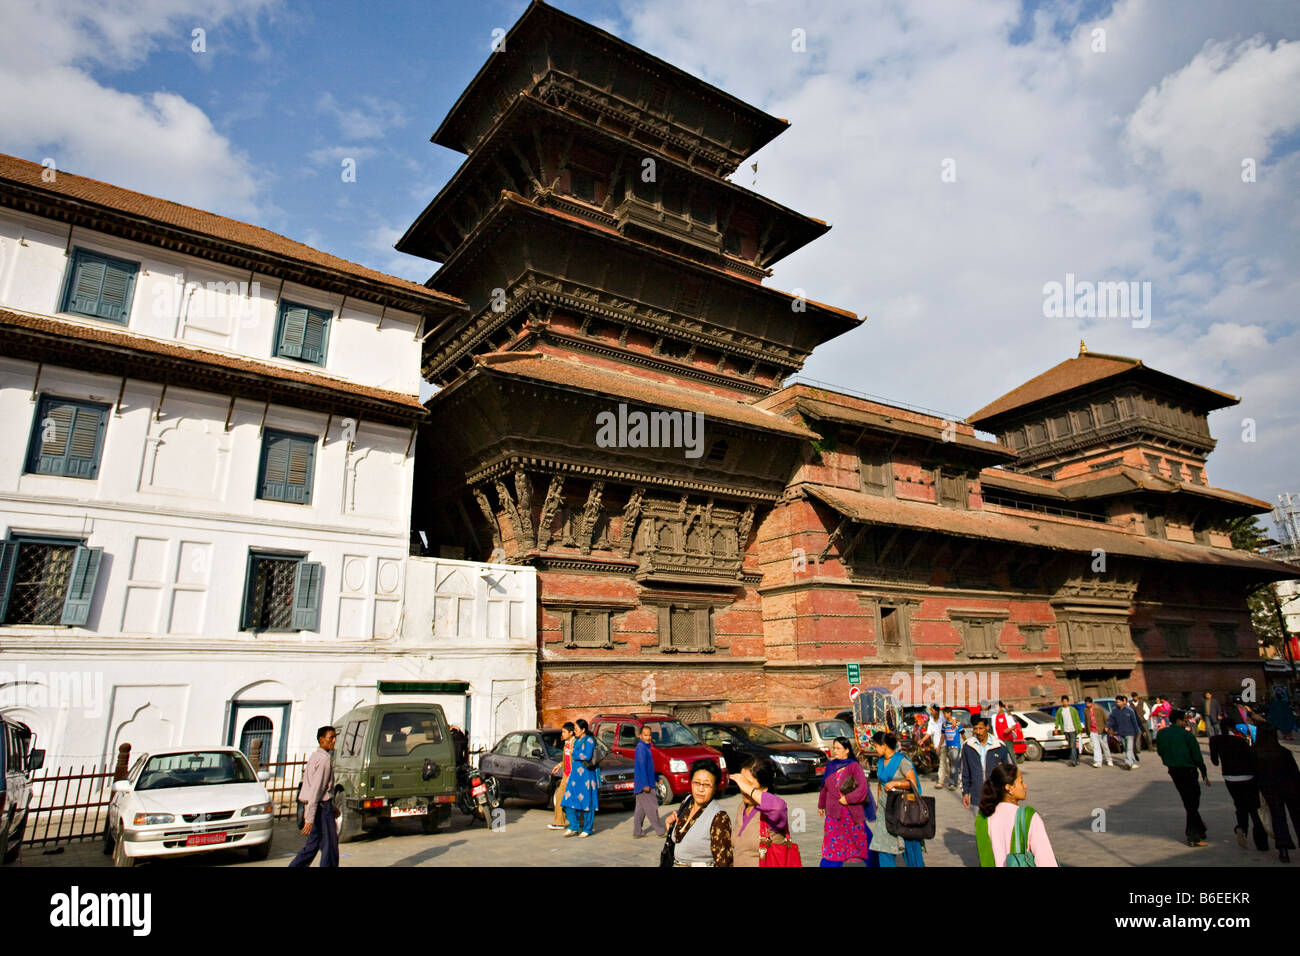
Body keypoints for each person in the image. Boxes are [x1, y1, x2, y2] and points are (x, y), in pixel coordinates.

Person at [975, 763, 1058, 866]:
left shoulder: (984, 818)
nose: (1025, 785)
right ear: (1009, 788)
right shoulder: (1029, 817)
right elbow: (1046, 860)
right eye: (1021, 781)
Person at [1209, 718, 1269, 851]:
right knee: (1254, 808)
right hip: (1248, 777)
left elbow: (1215, 761)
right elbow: (1252, 759)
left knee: (1240, 805)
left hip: (1230, 778)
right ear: (1233, 728)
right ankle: (1261, 843)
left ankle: (1242, 828)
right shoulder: (1240, 741)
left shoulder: (1215, 740)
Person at [1155, 708, 1210, 847]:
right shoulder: (1187, 735)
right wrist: (1204, 772)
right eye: (1184, 719)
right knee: (1192, 801)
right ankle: (1193, 836)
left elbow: (1160, 751)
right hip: (1188, 770)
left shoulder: (1162, 734)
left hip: (1173, 770)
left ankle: (1200, 828)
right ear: (1179, 720)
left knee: (1187, 799)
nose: (1186, 721)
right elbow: (1197, 756)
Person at [818, 736, 875, 866]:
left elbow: (862, 788)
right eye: (834, 748)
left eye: (838, 748)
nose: (835, 751)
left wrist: (848, 799)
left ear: (847, 750)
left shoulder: (854, 766)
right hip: (833, 814)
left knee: (860, 842)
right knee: (833, 847)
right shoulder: (831, 766)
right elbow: (824, 788)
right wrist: (821, 805)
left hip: (851, 812)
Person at [664, 759, 732, 866]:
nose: (700, 789)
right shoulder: (687, 802)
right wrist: (671, 827)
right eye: (696, 783)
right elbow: (681, 840)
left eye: (706, 785)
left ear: (714, 788)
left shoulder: (719, 817)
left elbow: (723, 862)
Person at [290, 725, 340, 868]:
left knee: (312, 846)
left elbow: (317, 788)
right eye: (331, 737)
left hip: (322, 806)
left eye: (335, 737)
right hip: (321, 809)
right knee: (330, 848)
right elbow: (316, 790)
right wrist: (309, 819)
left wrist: (332, 807)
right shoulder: (324, 760)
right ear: (321, 739)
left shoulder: (315, 756)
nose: (334, 741)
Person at [873, 731, 925, 867]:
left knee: (909, 847)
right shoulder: (880, 762)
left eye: (876, 746)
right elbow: (880, 784)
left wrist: (896, 783)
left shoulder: (902, 760)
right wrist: (878, 804)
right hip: (885, 809)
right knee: (882, 846)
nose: (875, 749)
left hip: (902, 808)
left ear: (884, 745)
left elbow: (912, 783)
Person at [731, 754, 792, 867]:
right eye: (741, 782)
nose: (743, 788)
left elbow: (779, 807)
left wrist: (749, 790)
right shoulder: (742, 807)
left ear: (764, 788)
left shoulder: (771, 812)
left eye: (748, 784)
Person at [1254, 725, 1300, 862]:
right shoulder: (1283, 752)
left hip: (1269, 790)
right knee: (1297, 817)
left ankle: (1283, 850)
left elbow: (1254, 774)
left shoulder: (1255, 753)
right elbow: (1295, 774)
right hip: (1290, 789)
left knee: (1278, 818)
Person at [960, 714, 1015, 813]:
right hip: (977, 795)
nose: (978, 732)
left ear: (987, 727)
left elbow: (1011, 770)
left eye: (981, 728)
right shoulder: (968, 747)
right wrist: (965, 792)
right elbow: (965, 771)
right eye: (975, 729)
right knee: (981, 826)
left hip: (997, 796)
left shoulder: (999, 746)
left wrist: (1010, 792)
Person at [561, 718, 598, 838]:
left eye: (576, 729)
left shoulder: (590, 741)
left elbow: (587, 756)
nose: (574, 731)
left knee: (587, 803)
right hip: (575, 776)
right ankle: (574, 826)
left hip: (586, 776)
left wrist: (574, 752)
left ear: (583, 730)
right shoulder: (576, 741)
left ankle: (587, 828)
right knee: (568, 801)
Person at [632, 725, 665, 838]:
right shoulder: (641, 748)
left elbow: (649, 767)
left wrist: (657, 778)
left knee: (640, 809)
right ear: (640, 736)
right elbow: (641, 767)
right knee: (652, 807)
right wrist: (645, 784)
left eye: (649, 735)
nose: (648, 737)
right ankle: (660, 830)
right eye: (645, 735)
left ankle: (637, 832)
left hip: (646, 782)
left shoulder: (646, 748)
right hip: (644, 784)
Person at [548, 722, 575, 831]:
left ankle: (580, 823)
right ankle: (559, 822)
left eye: (564, 732)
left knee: (575, 800)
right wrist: (559, 765)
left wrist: (571, 776)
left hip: (573, 776)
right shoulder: (566, 743)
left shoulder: (575, 744)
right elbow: (566, 759)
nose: (562, 734)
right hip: (566, 775)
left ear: (571, 732)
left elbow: (576, 761)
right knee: (559, 797)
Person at [1108, 694, 1140, 770]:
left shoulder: (1129, 710)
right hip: (1121, 732)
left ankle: (1128, 762)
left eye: (1119, 702)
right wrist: (1112, 729)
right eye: (1117, 702)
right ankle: (1133, 762)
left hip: (1130, 732)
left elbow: (1134, 721)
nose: (1118, 703)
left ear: (1123, 702)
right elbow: (1112, 721)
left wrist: (1136, 730)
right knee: (1126, 748)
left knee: (1129, 748)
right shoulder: (1115, 711)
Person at [1053, 694, 1082, 767]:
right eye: (1063, 701)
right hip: (1066, 730)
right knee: (1071, 746)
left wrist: (1079, 729)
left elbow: (1077, 719)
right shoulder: (1060, 710)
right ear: (1062, 702)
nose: (1065, 703)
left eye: (1066, 701)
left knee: (1072, 746)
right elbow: (1057, 719)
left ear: (1068, 702)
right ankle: (1077, 757)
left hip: (1073, 729)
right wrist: (1056, 727)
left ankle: (1074, 761)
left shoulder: (1072, 709)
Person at [1084, 696, 1113, 768]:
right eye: (1086, 703)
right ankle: (1098, 761)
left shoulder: (1099, 709)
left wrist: (1108, 728)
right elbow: (1086, 721)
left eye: (1088, 703)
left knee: (1104, 746)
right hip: (1092, 731)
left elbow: (1105, 718)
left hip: (1101, 730)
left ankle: (1109, 759)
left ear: (1091, 702)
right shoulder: (1086, 710)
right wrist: (1087, 731)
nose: (1087, 705)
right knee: (1096, 747)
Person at [940, 708, 963, 790]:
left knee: (954, 765)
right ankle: (954, 781)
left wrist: (966, 743)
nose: (944, 715)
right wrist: (939, 745)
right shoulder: (944, 724)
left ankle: (953, 783)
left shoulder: (956, 722)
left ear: (949, 713)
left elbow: (962, 733)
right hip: (948, 747)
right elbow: (943, 736)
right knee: (950, 765)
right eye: (943, 714)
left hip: (955, 747)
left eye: (945, 713)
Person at [928, 705, 945, 782]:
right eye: (930, 711)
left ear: (937, 711)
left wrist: (939, 745)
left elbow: (944, 734)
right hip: (936, 745)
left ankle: (940, 780)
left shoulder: (943, 719)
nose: (931, 712)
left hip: (944, 744)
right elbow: (929, 733)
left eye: (932, 710)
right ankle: (946, 775)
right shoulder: (931, 721)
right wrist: (922, 740)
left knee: (942, 762)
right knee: (942, 761)